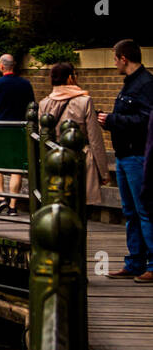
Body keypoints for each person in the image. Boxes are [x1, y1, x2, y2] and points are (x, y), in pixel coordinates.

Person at [98, 39, 153, 280]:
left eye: (114, 58)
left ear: (124, 58)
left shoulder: (146, 84)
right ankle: (135, 262)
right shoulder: (130, 84)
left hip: (137, 156)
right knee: (130, 211)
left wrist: (112, 121)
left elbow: (145, 122)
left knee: (144, 210)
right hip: (124, 156)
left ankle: (151, 265)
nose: (113, 64)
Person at [39, 62, 109, 213]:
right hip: (81, 160)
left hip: (56, 160)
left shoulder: (44, 104)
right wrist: (103, 172)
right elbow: (95, 138)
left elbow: (41, 139)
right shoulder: (85, 101)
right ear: (71, 78)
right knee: (80, 209)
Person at [0, 54, 35, 215]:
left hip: (0, 129)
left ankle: (1, 198)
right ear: (14, 66)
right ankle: (13, 206)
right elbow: (32, 106)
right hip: (19, 129)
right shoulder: (25, 84)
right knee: (17, 168)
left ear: (1, 67)